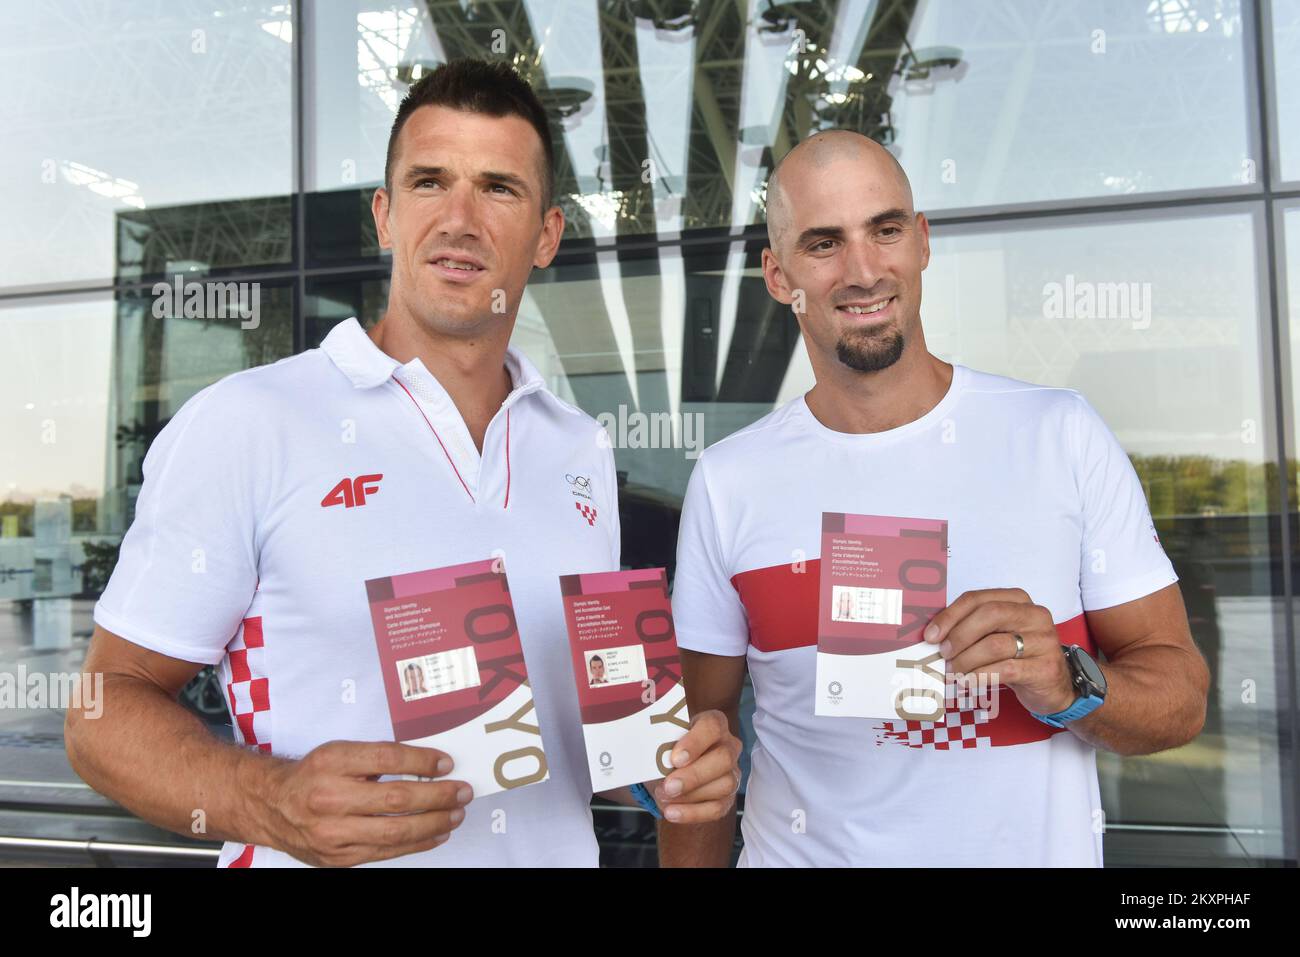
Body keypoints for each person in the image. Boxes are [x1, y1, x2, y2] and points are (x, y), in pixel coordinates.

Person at [65, 58, 740, 868]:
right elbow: (101, 714)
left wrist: (671, 768)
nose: (458, 218)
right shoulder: (249, 424)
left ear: (547, 236)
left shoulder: (578, 447)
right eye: (429, 182)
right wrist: (270, 802)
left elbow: (591, 735)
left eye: (498, 188)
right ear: (385, 216)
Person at [659, 130, 1209, 867]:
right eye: (823, 244)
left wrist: (1064, 680)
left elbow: (1181, 698)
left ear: (921, 242)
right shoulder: (729, 481)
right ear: (778, 273)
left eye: (884, 231)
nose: (862, 270)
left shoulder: (1059, 434)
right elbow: (698, 747)